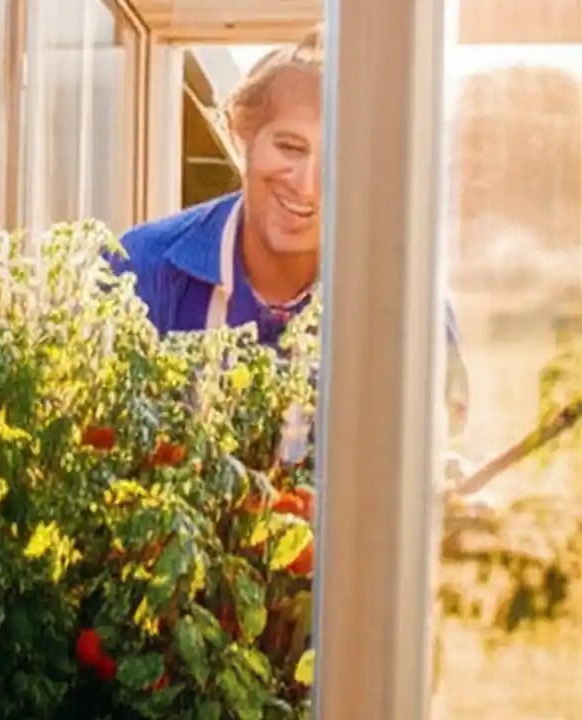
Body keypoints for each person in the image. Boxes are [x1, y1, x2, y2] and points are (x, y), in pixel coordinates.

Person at [107, 25, 468, 436]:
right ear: (243, 137)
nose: (306, 185)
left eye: (338, 159)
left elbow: (443, 455)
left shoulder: (412, 304)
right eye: (290, 148)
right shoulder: (138, 271)